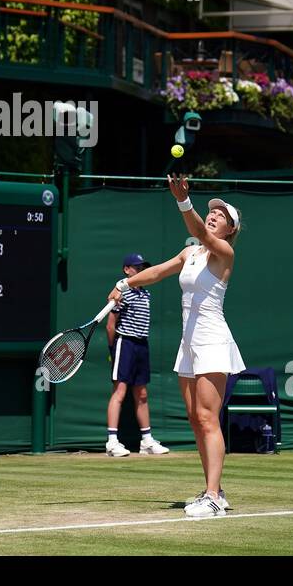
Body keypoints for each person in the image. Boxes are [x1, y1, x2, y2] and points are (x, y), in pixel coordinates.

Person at [107, 175, 245, 519]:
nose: (214, 216)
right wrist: (125, 283)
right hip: (189, 344)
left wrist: (183, 201)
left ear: (229, 230)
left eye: (221, 217)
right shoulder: (190, 253)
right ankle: (215, 490)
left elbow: (200, 231)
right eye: (212, 213)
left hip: (212, 340)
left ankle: (213, 497)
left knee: (207, 417)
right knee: (194, 420)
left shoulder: (224, 252)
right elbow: (155, 273)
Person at [104, 252, 171, 458]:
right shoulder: (122, 293)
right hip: (125, 343)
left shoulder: (146, 294)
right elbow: (110, 326)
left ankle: (147, 441)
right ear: (127, 270)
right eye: (136, 267)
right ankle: (112, 442)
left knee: (141, 394)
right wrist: (113, 350)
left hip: (142, 344)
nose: (140, 271)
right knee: (120, 392)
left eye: (142, 268)